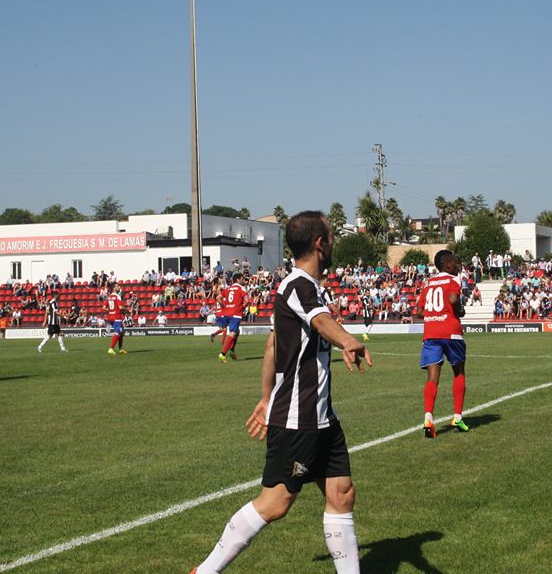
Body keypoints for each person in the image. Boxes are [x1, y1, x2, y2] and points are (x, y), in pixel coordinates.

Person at [189, 211, 372, 574]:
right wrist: (348, 340)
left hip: (322, 417)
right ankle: (205, 571)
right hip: (297, 417)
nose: (334, 241)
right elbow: (321, 321)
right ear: (320, 244)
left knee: (341, 494)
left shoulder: (308, 288)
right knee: (275, 502)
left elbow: (274, 345)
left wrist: (264, 396)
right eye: (331, 236)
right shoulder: (298, 286)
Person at [415, 250, 469, 438]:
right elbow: (454, 299)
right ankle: (457, 417)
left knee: (432, 377)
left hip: (431, 333)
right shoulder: (453, 280)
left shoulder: (428, 283)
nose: (457, 264)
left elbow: (419, 311)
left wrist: (433, 315)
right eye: (455, 261)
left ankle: (428, 418)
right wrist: (459, 310)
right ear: (447, 264)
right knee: (458, 372)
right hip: (451, 332)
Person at [216, 272, 248, 363]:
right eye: (242, 279)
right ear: (238, 280)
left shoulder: (228, 288)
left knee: (237, 331)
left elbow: (218, 298)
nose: (243, 281)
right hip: (235, 313)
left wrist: (224, 307)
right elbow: (247, 300)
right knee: (233, 333)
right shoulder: (241, 288)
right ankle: (222, 354)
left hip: (226, 313)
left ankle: (232, 350)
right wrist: (242, 308)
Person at [104, 284, 127, 355]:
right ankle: (111, 348)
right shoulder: (117, 296)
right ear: (114, 288)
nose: (119, 287)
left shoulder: (109, 297)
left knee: (121, 332)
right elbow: (120, 307)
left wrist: (111, 310)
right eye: (117, 286)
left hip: (111, 317)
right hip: (117, 317)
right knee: (117, 333)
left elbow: (104, 307)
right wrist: (126, 308)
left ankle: (120, 349)